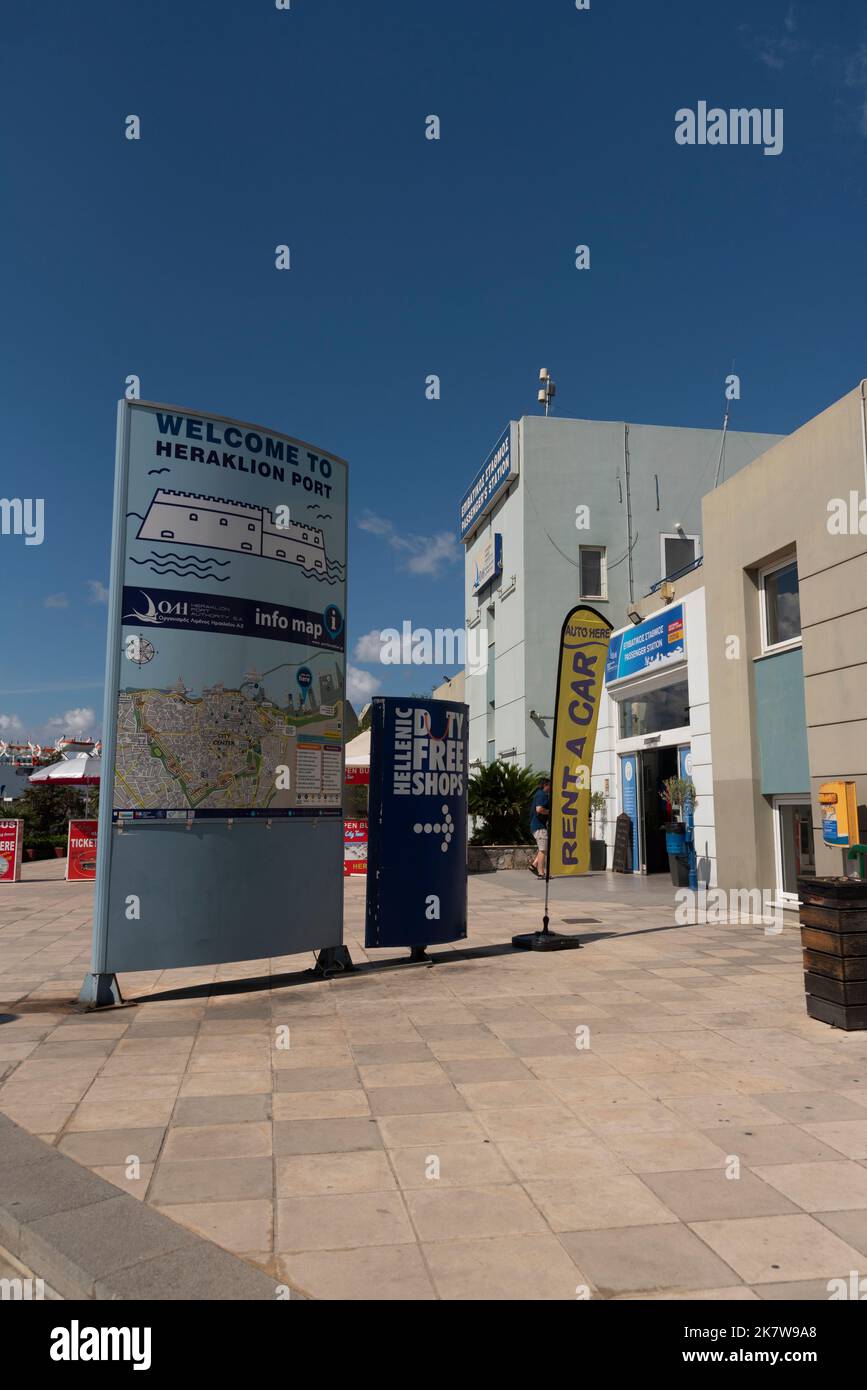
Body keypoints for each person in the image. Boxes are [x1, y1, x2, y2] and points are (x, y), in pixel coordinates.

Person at [528, 776, 551, 878]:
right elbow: (539, 809)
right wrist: (550, 812)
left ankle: (534, 865)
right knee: (543, 851)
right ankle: (541, 873)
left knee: (543, 849)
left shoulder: (539, 794)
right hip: (539, 827)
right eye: (549, 785)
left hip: (537, 826)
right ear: (545, 785)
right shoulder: (542, 795)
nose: (550, 788)